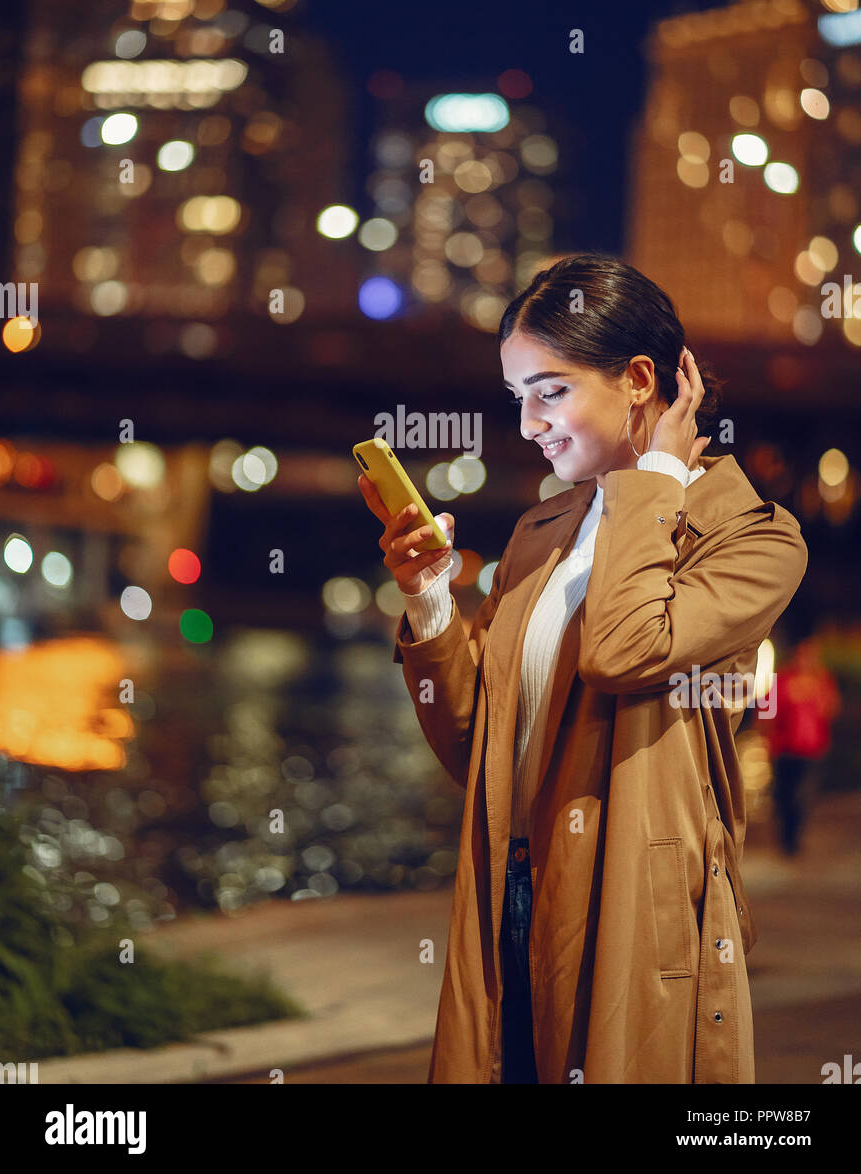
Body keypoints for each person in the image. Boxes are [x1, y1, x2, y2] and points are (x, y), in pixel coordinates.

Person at [357, 253, 808, 1084]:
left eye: (550, 390)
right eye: (517, 396)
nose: (529, 423)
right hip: (511, 891)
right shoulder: (542, 531)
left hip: (633, 903)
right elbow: (475, 747)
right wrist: (429, 601)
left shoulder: (752, 536)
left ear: (640, 379)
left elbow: (626, 649)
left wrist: (658, 477)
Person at [764, 637, 840, 855]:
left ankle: (794, 838)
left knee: (802, 795)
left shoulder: (822, 679)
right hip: (785, 748)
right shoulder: (783, 679)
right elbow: (768, 708)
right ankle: (786, 837)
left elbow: (831, 708)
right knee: (783, 795)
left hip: (812, 749)